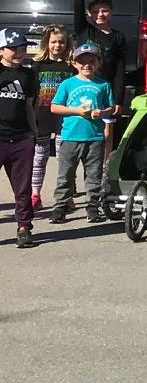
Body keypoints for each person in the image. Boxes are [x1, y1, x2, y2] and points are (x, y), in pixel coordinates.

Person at [45, 40, 115, 224]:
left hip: (95, 137)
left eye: (91, 61)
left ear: (99, 63)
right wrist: (77, 111)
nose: (87, 65)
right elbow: (55, 107)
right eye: (82, 61)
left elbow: (111, 108)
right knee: (66, 174)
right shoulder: (68, 84)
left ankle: (92, 207)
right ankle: (60, 207)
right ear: (75, 63)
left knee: (94, 175)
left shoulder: (103, 85)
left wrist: (103, 112)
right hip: (70, 137)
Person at [70, 0, 131, 116]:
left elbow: (119, 70)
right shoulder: (85, 30)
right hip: (83, 86)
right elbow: (77, 5)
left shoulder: (117, 37)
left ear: (111, 12)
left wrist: (118, 100)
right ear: (89, 14)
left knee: (106, 130)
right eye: (96, 11)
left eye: (104, 10)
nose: (100, 14)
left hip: (105, 88)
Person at [29, 25, 72, 216]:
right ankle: (35, 194)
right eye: (54, 41)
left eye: (61, 42)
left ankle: (66, 195)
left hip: (64, 117)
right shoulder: (37, 65)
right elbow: (31, 94)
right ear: (46, 43)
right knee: (40, 156)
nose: (58, 45)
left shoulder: (71, 66)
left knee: (65, 158)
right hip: (42, 117)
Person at [0, 29, 36, 247]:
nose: (19, 52)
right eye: (13, 48)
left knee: (22, 187)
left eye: (22, 48)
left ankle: (24, 227)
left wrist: (33, 132)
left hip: (21, 137)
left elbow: (29, 105)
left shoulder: (28, 75)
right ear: (1, 50)